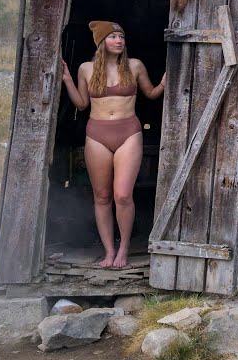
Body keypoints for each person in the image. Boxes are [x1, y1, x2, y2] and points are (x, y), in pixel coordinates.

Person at [61, 21, 165, 269]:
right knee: (102, 196)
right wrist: (66, 80)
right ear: (101, 42)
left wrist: (164, 83)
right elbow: (82, 105)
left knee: (122, 194)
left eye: (121, 36)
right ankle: (109, 252)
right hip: (96, 134)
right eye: (113, 37)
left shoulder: (134, 65)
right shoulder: (86, 69)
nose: (119, 41)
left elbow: (150, 94)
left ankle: (124, 249)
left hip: (128, 131)